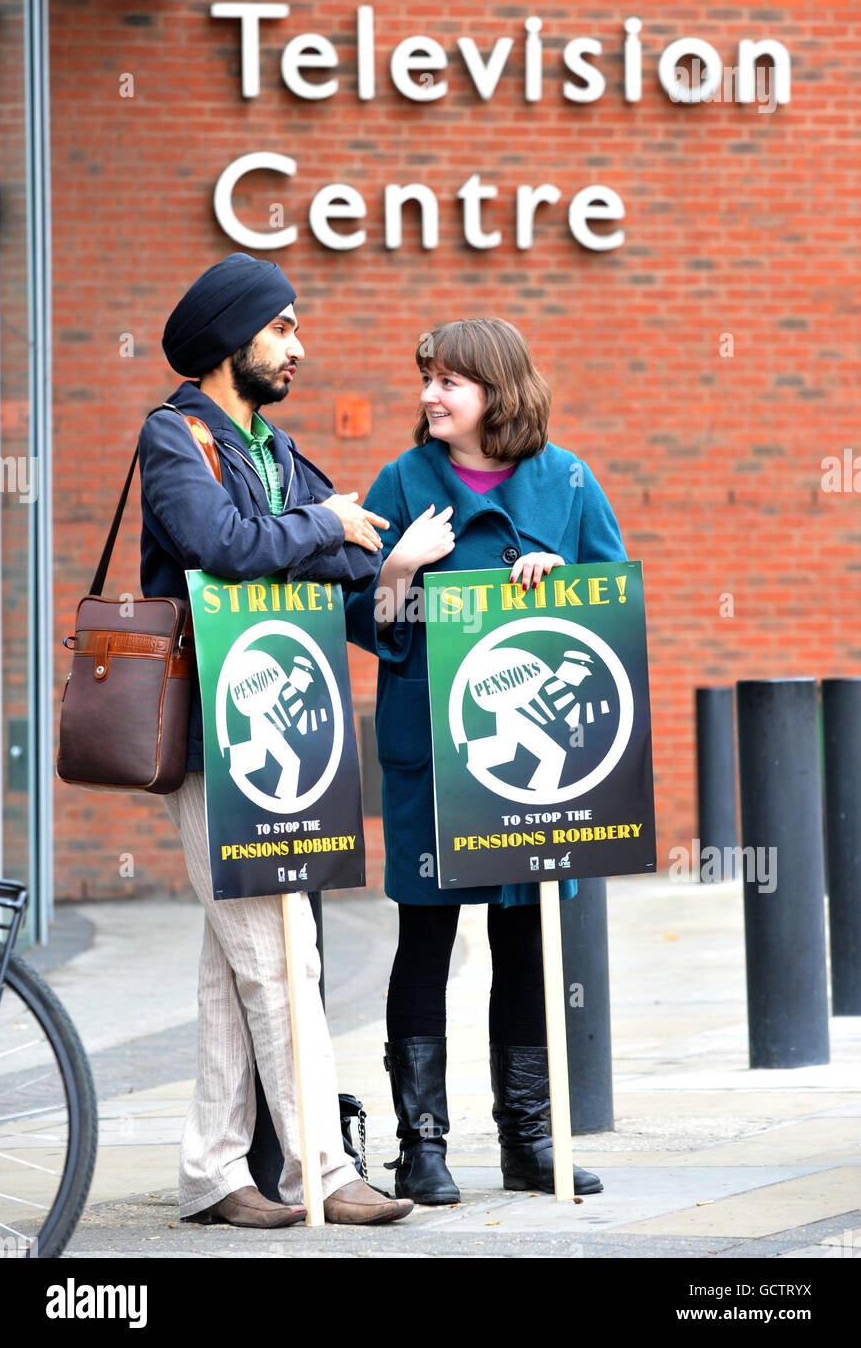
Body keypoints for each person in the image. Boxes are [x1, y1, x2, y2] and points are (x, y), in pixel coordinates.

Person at [138, 251, 412, 1228]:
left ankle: (213, 1170)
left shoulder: (277, 449)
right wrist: (317, 525)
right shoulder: (176, 438)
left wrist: (365, 552)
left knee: (234, 964)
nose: (300, 345)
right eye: (283, 325)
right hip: (216, 734)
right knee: (281, 953)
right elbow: (218, 543)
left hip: (280, 727)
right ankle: (321, 1170)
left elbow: (348, 552)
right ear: (229, 340)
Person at [345, 317, 627, 1204]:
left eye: (448, 382)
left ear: (495, 393)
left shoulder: (567, 479)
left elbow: (611, 600)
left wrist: (563, 579)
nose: (429, 395)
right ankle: (420, 1147)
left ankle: (530, 1142)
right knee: (423, 941)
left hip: (528, 768)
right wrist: (395, 569)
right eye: (426, 378)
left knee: (525, 942)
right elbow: (355, 617)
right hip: (435, 756)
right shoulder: (400, 479)